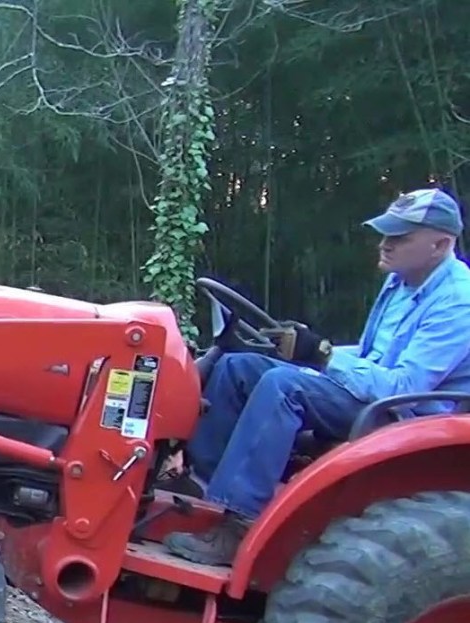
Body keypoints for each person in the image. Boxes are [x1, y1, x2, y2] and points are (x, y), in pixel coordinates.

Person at [165, 186, 470, 567]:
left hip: (405, 415)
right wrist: (299, 348)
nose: (385, 244)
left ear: (440, 245)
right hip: (375, 394)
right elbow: (370, 353)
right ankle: (205, 485)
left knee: (284, 386)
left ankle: (239, 524)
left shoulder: (459, 301)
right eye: (386, 233)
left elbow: (404, 386)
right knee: (237, 366)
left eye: (399, 237)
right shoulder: (401, 282)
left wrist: (321, 355)